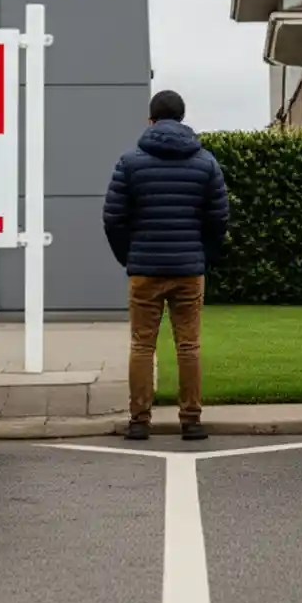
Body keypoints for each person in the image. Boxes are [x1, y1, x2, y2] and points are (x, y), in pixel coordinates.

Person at [102, 90, 229, 441]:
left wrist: (128, 257)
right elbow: (218, 219)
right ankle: (191, 420)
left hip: (144, 268)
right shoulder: (205, 162)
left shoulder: (130, 163)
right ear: (183, 119)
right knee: (188, 345)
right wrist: (203, 256)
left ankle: (139, 420)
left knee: (142, 345)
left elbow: (113, 218)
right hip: (189, 270)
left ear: (151, 120)